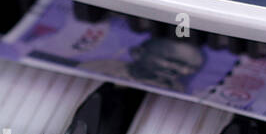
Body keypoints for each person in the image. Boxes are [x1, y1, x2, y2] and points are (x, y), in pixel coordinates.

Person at [79, 35, 207, 91]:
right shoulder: (98, 67)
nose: (183, 72)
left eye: (191, 69)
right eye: (172, 61)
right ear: (138, 53)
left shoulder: (176, 90)